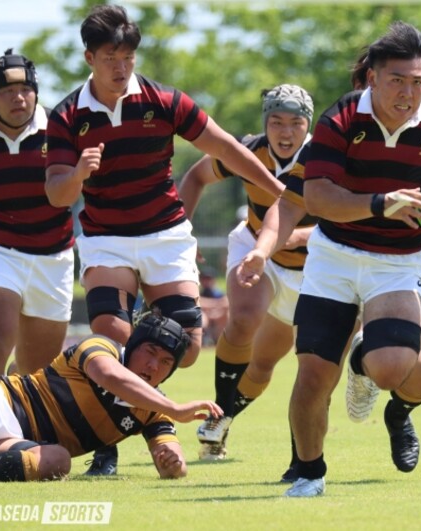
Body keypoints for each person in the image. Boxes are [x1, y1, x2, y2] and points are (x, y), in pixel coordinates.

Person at [44, 4, 284, 476]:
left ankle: (141, 417)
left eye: (128, 56)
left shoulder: (164, 100)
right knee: (114, 339)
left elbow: (227, 148)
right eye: (111, 57)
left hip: (165, 235)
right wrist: (78, 173)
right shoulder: (68, 115)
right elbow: (57, 195)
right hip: (106, 239)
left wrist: (281, 192)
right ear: (89, 57)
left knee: (186, 348)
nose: (121, 67)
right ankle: (118, 439)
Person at [276, 22, 421, 497]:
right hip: (334, 256)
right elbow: (317, 196)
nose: (408, 92)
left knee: (399, 371)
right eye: (397, 80)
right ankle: (311, 473)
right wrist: (380, 202)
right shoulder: (340, 121)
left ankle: (390, 400)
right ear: (372, 77)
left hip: (399, 260)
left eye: (418, 82)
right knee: (314, 374)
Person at [177, 84, 317, 481]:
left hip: (312, 268)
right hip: (253, 246)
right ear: (265, 124)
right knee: (243, 320)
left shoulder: (326, 160)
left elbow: (341, 220)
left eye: (295, 122)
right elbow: (196, 175)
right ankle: (219, 414)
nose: (285, 132)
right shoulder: (247, 151)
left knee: (265, 365)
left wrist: (295, 237)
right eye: (276, 121)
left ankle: (226, 419)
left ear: (308, 125)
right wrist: (179, 236)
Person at [0, 313, 222, 482]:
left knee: (58, 461)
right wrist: (176, 408)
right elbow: (110, 376)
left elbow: (174, 461)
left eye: (166, 362)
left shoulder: (154, 408)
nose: (153, 366)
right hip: (1, 403)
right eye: (150, 352)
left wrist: (172, 463)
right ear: (133, 346)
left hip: (19, 445)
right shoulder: (101, 347)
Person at [0, 50, 75, 381]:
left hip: (53, 257)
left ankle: (13, 399)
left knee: (36, 372)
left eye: (25, 90)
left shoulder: (64, 132)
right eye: (6, 92)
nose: (18, 98)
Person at [198, 266, 227, 346]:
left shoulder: (218, 293)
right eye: (204, 279)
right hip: (206, 319)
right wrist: (215, 304)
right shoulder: (199, 293)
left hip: (217, 319)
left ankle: (219, 340)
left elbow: (226, 303)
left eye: (209, 279)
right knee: (202, 317)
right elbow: (198, 302)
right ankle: (204, 339)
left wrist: (213, 309)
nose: (207, 281)